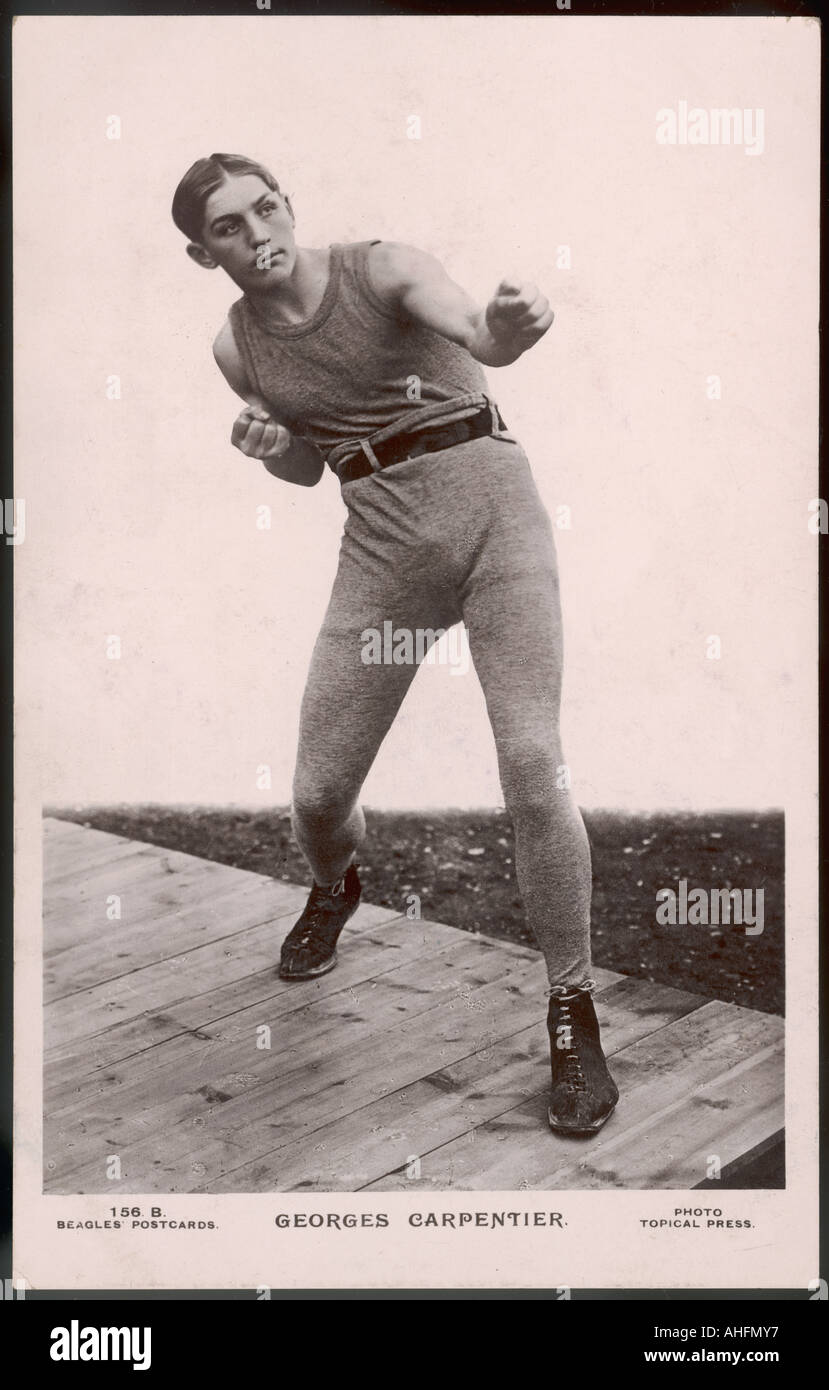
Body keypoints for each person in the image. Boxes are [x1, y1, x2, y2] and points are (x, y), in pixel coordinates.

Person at [171, 152, 619, 1136]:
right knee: (318, 794)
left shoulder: (382, 268)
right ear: (203, 254)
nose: (257, 233)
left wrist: (507, 327)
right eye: (230, 229)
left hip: (496, 513)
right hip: (382, 545)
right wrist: (268, 450)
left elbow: (480, 336)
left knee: (533, 762)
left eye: (265, 207)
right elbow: (306, 465)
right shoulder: (236, 346)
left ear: (288, 200)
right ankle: (337, 887)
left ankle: (570, 1009)